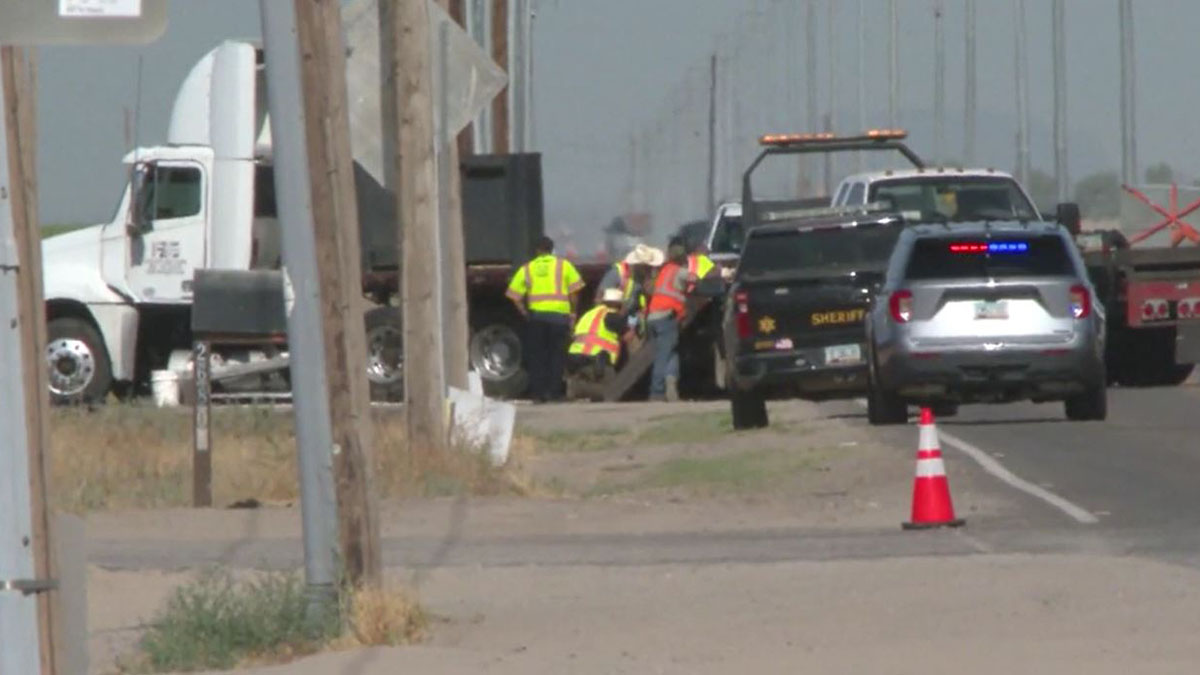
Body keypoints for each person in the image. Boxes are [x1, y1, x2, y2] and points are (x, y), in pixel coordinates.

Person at [506, 236, 585, 402]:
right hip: (558, 318)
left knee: (537, 356)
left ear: (537, 251)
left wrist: (524, 312)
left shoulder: (528, 268)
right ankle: (554, 393)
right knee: (556, 356)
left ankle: (538, 394)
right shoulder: (563, 266)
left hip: (537, 318)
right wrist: (573, 313)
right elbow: (575, 292)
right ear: (552, 249)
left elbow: (513, 295)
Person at [645, 238, 691, 402]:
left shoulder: (664, 271)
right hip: (666, 318)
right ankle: (656, 393)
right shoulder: (680, 271)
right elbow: (695, 278)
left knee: (671, 353)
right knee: (663, 356)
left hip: (653, 317)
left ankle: (671, 381)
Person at [565, 288, 628, 399]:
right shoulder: (613, 317)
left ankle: (577, 383)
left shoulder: (589, 314)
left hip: (573, 357)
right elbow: (629, 337)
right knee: (613, 390)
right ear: (620, 305)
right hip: (595, 360)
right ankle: (578, 388)